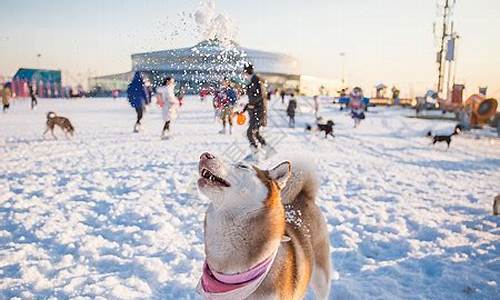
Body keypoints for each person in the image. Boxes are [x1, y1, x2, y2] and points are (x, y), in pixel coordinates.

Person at [242, 64, 275, 160]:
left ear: (246, 71)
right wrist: (246, 106)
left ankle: (255, 153)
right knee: (255, 133)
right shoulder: (253, 80)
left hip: (259, 111)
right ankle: (268, 150)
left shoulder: (257, 80)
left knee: (250, 132)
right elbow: (253, 96)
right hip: (255, 110)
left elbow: (260, 95)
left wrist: (251, 104)